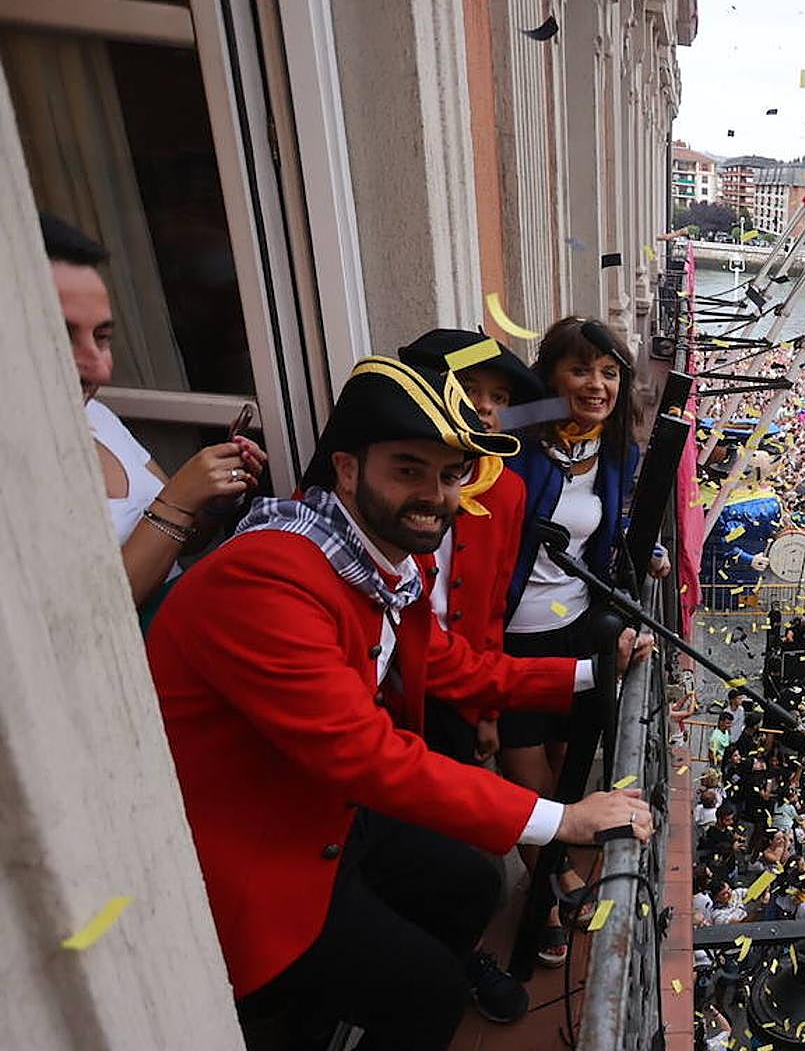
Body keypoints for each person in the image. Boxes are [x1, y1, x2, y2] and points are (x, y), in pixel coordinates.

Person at [145, 355, 652, 1050]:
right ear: (349, 470)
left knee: (472, 886)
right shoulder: (267, 578)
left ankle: (347, 1002)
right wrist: (560, 818)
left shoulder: (376, 557)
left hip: (326, 806)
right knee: (427, 999)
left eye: (450, 475)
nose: (435, 495)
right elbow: (363, 754)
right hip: (257, 844)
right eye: (408, 469)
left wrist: (593, 671)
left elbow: (452, 667)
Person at [498, 315, 665, 966]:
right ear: (550, 377)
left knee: (568, 764)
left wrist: (644, 551)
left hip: (575, 630)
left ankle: (560, 854)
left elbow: (607, 533)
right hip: (511, 638)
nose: (596, 385)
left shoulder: (614, 451)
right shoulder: (518, 451)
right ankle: (549, 889)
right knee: (524, 777)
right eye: (580, 370)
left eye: (609, 372)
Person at [44, 212, 264, 610]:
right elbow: (98, 619)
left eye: (103, 337)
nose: (100, 368)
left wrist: (215, 495)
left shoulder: (97, 416)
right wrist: (180, 497)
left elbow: (183, 542)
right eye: (62, 336)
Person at [396, 328, 547, 769]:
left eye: (499, 398)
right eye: (469, 388)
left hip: (458, 688)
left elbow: (493, 608)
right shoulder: (388, 474)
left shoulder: (507, 489)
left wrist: (487, 712)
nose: (485, 406)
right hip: (391, 677)